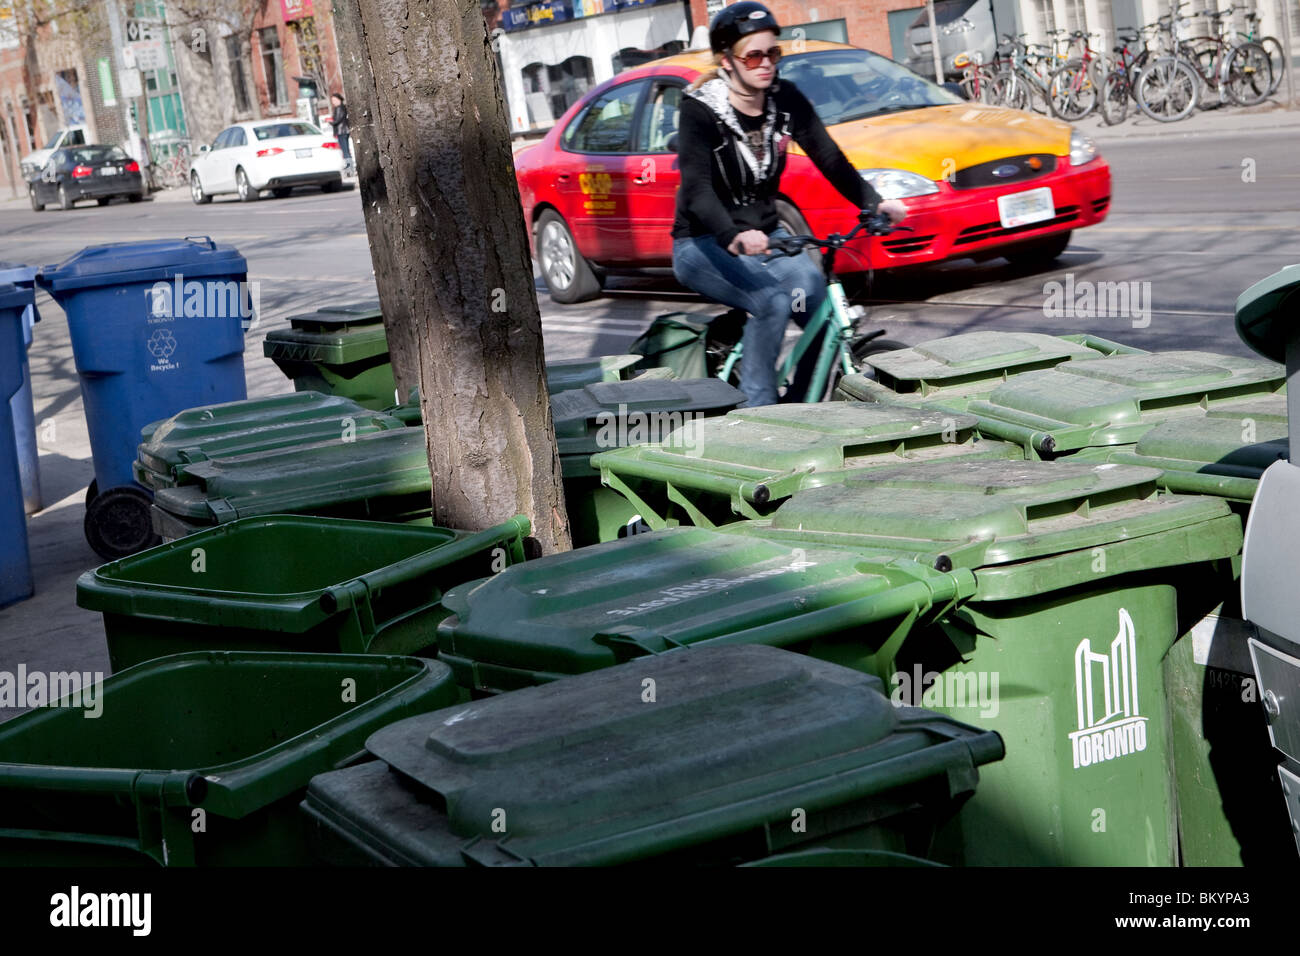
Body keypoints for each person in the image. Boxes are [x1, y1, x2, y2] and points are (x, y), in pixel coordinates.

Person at [671, 1, 907, 407]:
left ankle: (804, 405)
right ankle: (759, 413)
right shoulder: (700, 111)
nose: (766, 64)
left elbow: (828, 157)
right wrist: (732, 234)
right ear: (727, 61)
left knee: (817, 306)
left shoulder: (786, 99)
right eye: (754, 55)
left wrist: (873, 201)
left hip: (768, 238)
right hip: (703, 243)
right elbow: (697, 189)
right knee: (771, 301)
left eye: (773, 53)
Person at [330, 93, 352, 174]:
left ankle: (349, 169)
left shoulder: (340, 108)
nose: (333, 102)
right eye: (332, 101)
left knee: (345, 151)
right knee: (346, 151)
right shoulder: (341, 107)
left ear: (339, 100)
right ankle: (349, 168)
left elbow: (338, 120)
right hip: (343, 131)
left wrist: (331, 122)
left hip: (342, 131)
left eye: (334, 100)